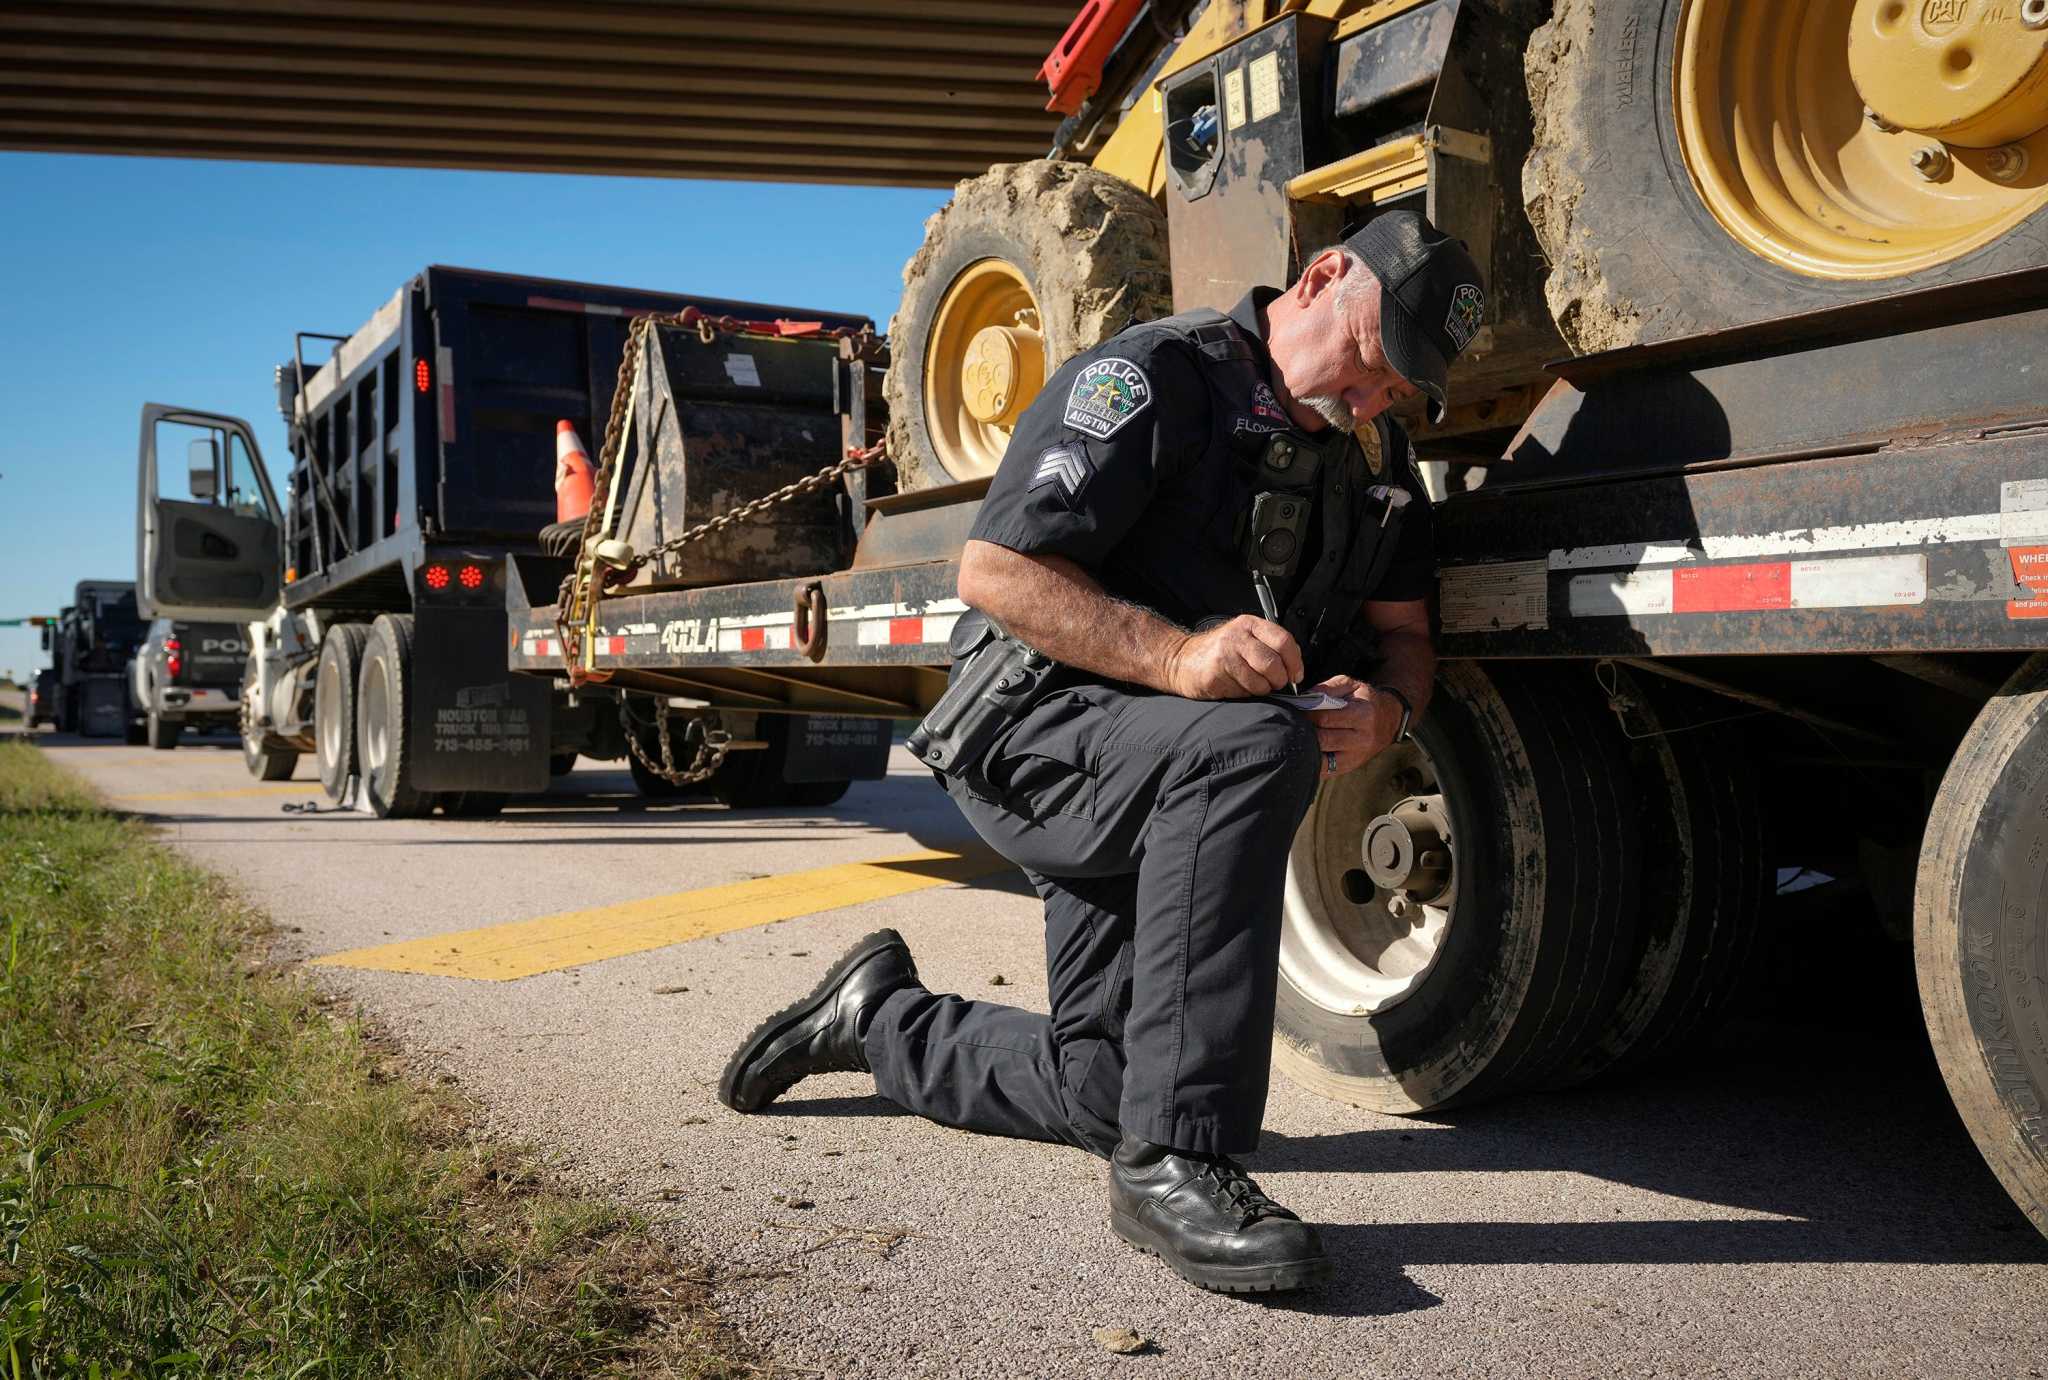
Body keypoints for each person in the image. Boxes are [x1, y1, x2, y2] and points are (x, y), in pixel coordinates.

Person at [718, 211, 1486, 1294]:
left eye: (1397, 391)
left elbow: (1407, 636)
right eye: (1370, 363)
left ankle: (878, 1019)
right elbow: (995, 573)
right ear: (1318, 280)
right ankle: (1177, 1160)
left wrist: (1391, 712)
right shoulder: (1157, 379)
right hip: (1037, 741)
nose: (1372, 401)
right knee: (1250, 746)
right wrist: (1178, 657)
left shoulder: (1376, 463)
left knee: (1102, 1091)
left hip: (1165, 772)